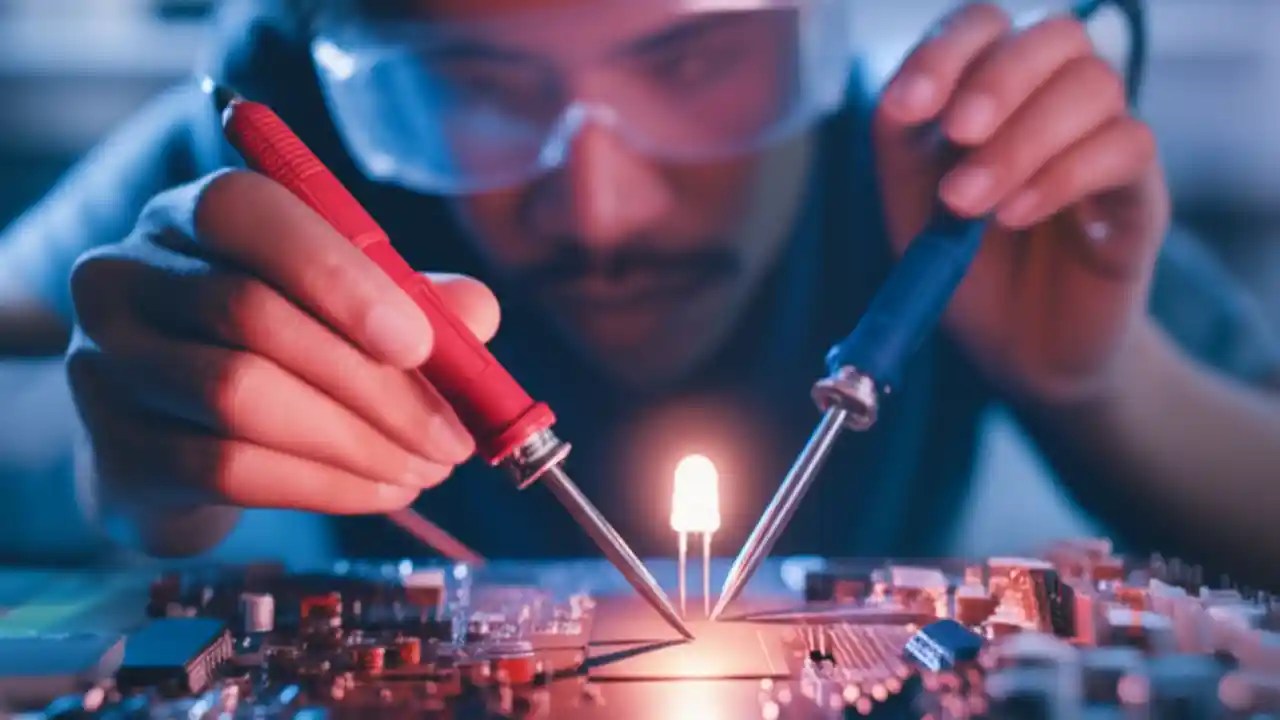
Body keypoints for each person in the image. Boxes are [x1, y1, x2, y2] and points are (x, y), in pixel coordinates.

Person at [1, 0, 1278, 585]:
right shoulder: (283, 118)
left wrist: (1102, 386)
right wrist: (120, 465)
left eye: (695, 56)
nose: (599, 208)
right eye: (470, 86)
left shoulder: (955, 166)